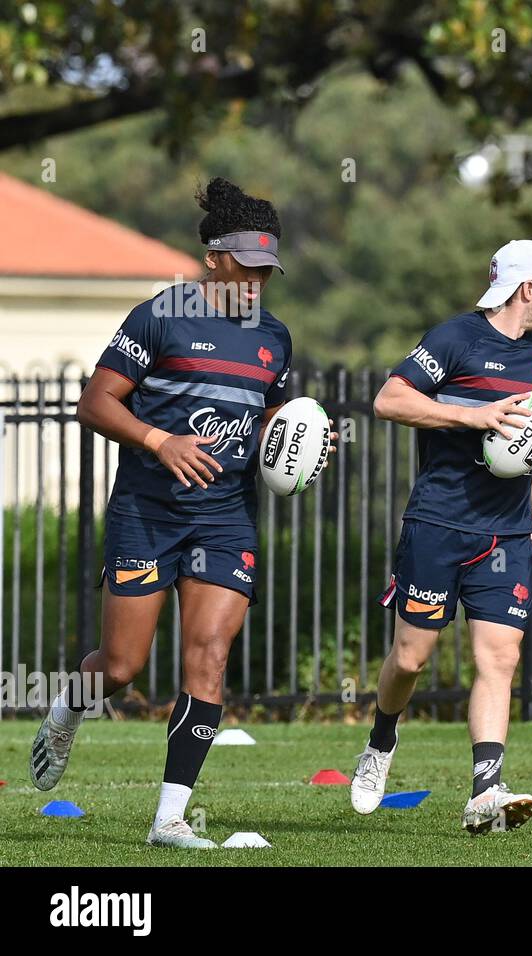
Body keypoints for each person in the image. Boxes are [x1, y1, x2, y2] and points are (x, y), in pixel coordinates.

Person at [30, 177, 331, 848]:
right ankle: (65, 711)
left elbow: (273, 423)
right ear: (214, 258)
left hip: (225, 516)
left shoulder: (274, 340)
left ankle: (169, 819)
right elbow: (96, 402)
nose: (257, 282)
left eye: (267, 271)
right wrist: (160, 440)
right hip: (148, 512)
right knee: (123, 666)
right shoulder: (159, 316)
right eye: (248, 267)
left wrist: (303, 446)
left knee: (209, 659)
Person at [350, 240, 532, 834]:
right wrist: (474, 416)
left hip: (507, 531)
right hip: (438, 525)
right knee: (412, 658)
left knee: (500, 656)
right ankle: (381, 741)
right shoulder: (454, 339)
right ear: (528, 289)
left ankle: (485, 792)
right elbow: (388, 400)